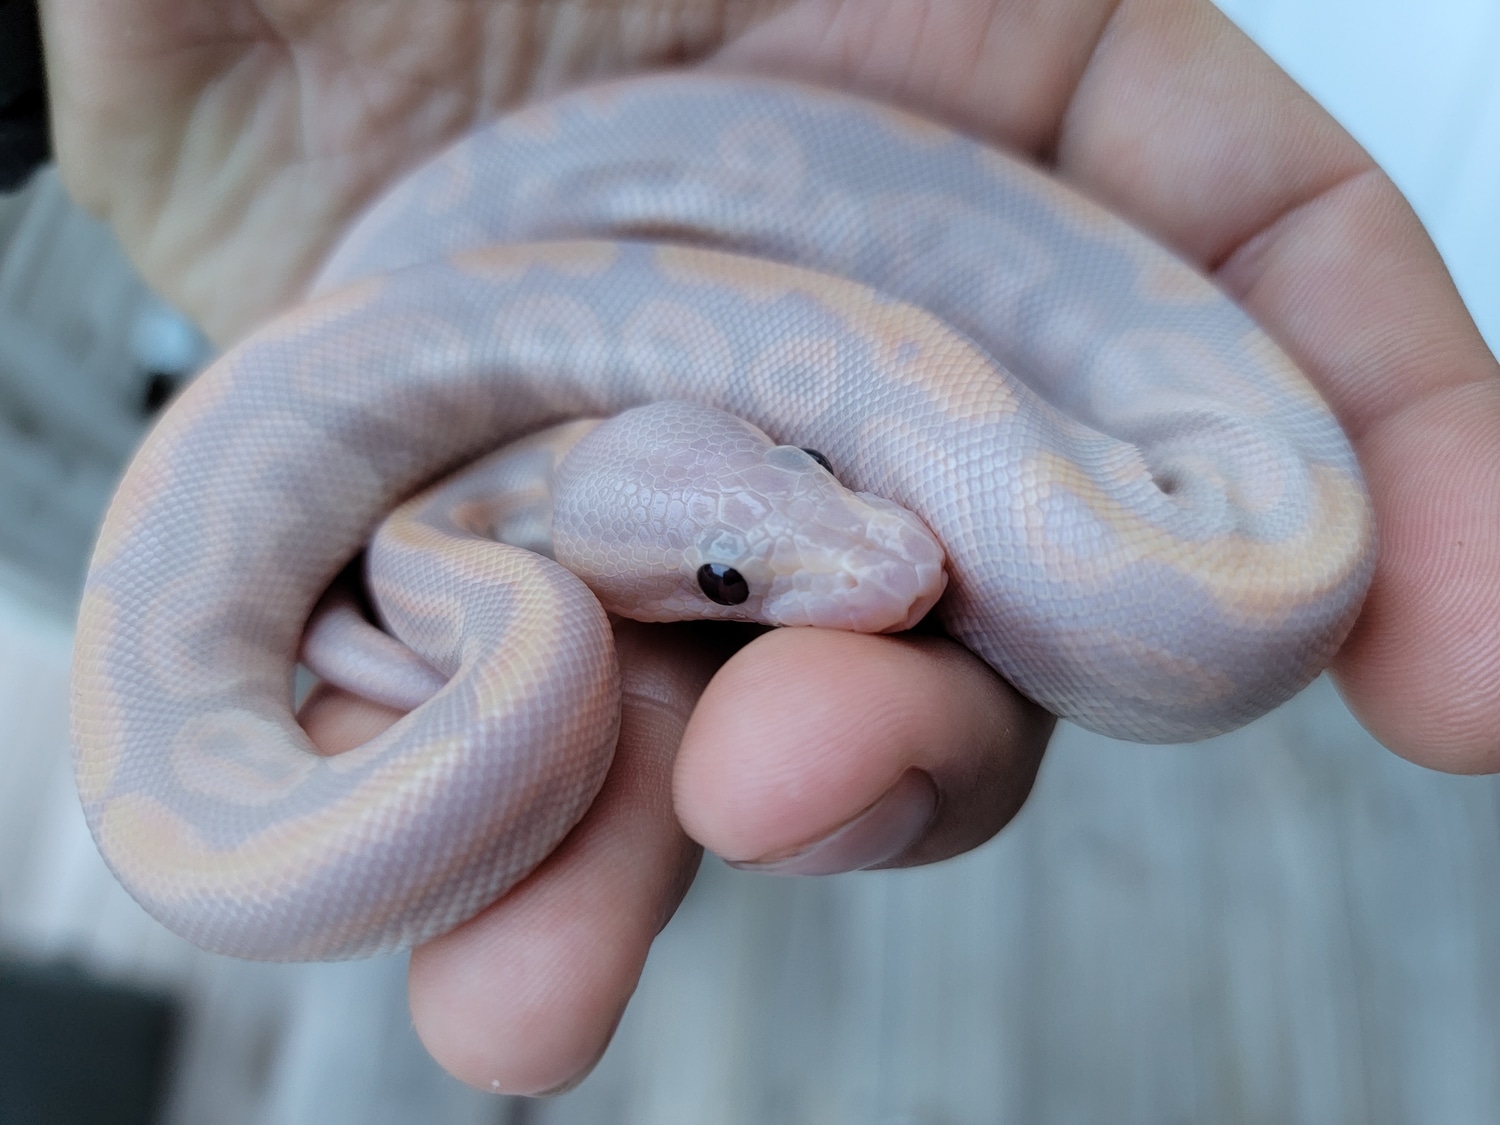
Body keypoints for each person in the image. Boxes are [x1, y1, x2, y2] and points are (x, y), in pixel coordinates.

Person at [39, 0, 1500, 1096]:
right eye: (733, 583)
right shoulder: (513, 588)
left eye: (808, 467)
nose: (886, 554)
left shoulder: (518, 497)